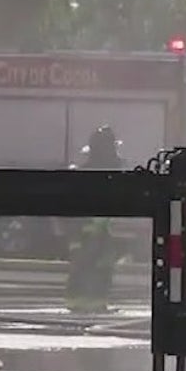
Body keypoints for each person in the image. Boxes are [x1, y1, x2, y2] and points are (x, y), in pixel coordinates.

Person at [65, 125, 129, 313]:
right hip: (95, 233)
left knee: (88, 268)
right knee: (98, 268)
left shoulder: (86, 172)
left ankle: (84, 303)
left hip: (89, 232)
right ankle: (91, 304)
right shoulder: (109, 173)